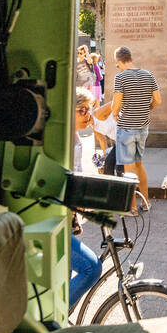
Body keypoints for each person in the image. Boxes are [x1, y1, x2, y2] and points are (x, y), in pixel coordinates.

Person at [106, 47, 160, 204]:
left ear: (119, 62)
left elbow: (116, 105)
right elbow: (157, 100)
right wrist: (146, 109)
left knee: (128, 169)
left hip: (126, 127)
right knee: (139, 164)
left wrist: (115, 114)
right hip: (143, 126)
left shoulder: (121, 78)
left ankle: (132, 207)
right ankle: (146, 202)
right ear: (131, 58)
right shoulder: (148, 75)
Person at [69, 89, 102, 311]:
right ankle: (55, 319)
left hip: (68, 219)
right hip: (60, 220)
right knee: (91, 268)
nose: (87, 114)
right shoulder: (62, 140)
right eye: (82, 110)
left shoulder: (76, 136)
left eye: (88, 110)